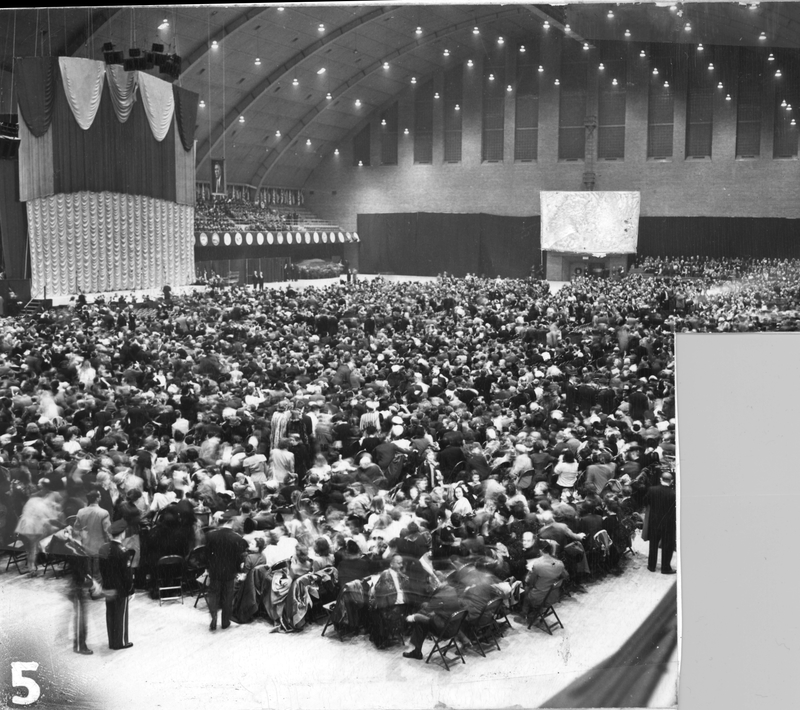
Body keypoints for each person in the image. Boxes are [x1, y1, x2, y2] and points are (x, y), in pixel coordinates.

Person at [402, 573, 463, 660]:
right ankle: (416, 651)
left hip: (444, 630)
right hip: (454, 627)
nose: (430, 585)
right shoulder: (452, 589)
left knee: (420, 623)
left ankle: (416, 652)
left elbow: (428, 609)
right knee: (422, 613)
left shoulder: (438, 596)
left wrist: (415, 616)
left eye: (431, 583)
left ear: (435, 583)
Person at [205, 516, 248, 630]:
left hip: (214, 570)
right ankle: (225, 621)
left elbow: (206, 554)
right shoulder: (237, 538)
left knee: (214, 594)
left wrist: (208, 567)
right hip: (230, 571)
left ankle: (213, 617)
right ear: (231, 522)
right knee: (227, 596)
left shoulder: (210, 535)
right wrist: (238, 570)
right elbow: (240, 557)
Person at [98, 519, 135, 650]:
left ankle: (112, 641)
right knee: (121, 615)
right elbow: (127, 575)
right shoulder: (123, 551)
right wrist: (130, 590)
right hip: (121, 590)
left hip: (108, 586)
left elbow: (101, 570)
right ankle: (121, 642)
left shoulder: (103, 549)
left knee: (110, 614)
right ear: (122, 533)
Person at [73, 490, 111, 579]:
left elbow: (76, 529)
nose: (101, 497)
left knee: (88, 571)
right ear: (97, 499)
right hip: (99, 546)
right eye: (100, 496)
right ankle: (96, 590)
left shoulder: (80, 512)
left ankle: (90, 588)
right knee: (97, 572)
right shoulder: (104, 513)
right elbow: (107, 531)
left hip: (85, 546)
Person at [644, 471, 677, 574]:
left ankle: (651, 566)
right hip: (668, 523)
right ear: (671, 481)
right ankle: (665, 568)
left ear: (660, 479)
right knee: (667, 545)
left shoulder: (652, 490)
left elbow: (645, 501)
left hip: (654, 521)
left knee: (653, 544)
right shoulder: (674, 494)